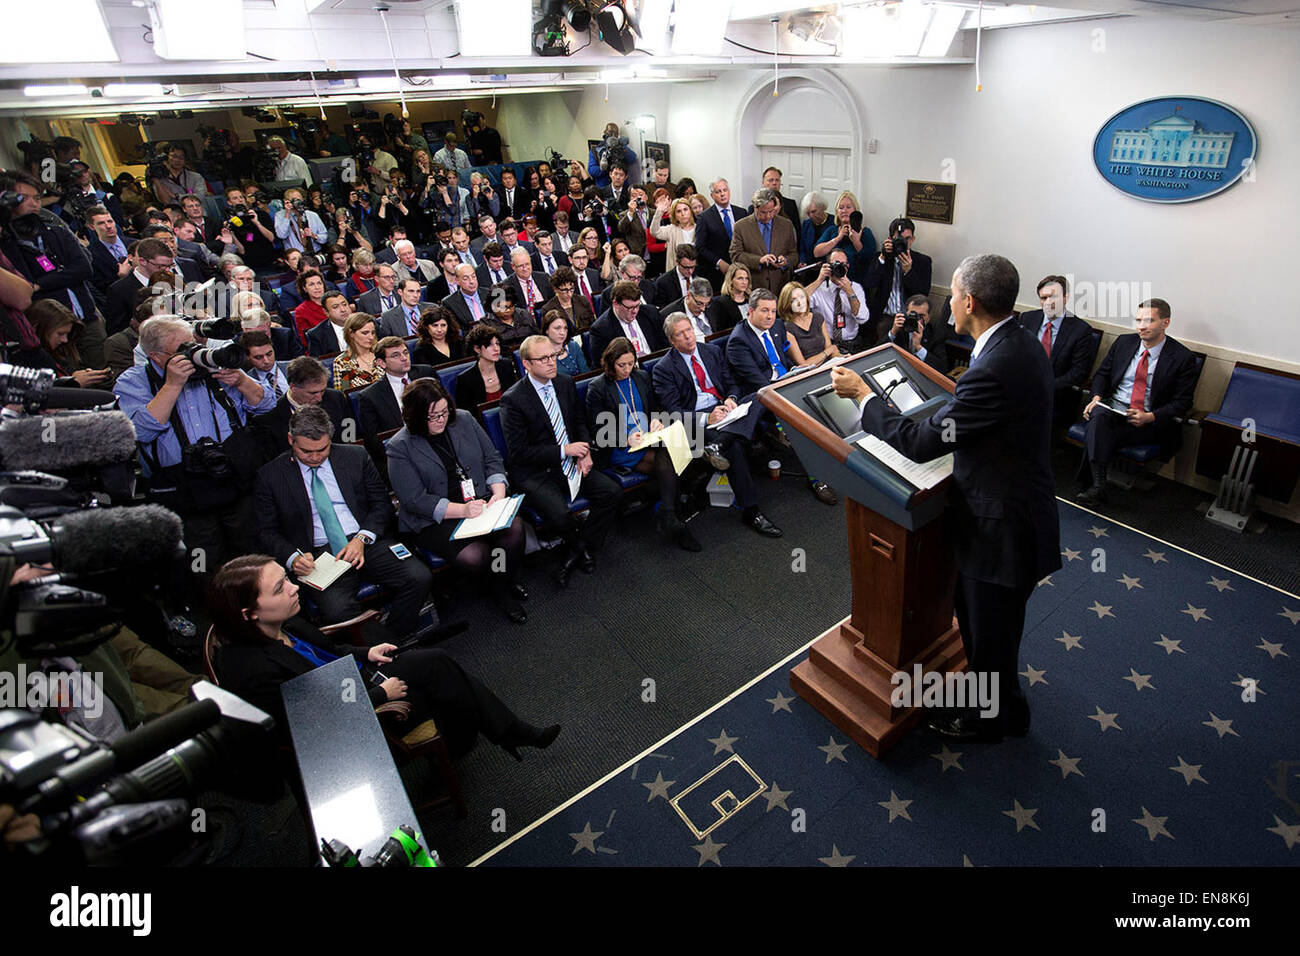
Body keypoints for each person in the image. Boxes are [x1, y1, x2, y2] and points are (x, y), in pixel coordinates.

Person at [830, 253, 1060, 742]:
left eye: (953, 294)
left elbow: (919, 443)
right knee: (987, 631)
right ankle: (1006, 708)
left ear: (970, 301)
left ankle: (989, 721)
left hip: (1003, 529)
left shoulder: (993, 368)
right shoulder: (1019, 342)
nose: (948, 302)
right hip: (1015, 508)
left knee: (991, 634)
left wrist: (863, 398)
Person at [209, 554, 559, 758]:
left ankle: (494, 734)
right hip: (347, 725)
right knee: (444, 677)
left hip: (353, 681)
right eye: (280, 588)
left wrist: (366, 651)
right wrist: (379, 695)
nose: (294, 587)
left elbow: (329, 651)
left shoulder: (285, 621)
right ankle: (492, 736)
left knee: (437, 663)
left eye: (287, 579)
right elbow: (309, 724)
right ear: (248, 613)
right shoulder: (250, 670)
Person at [114, 315, 274, 592]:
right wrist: (172, 384)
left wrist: (242, 381)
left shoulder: (213, 367)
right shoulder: (134, 381)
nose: (192, 353)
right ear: (155, 355)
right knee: (205, 569)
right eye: (181, 349)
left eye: (193, 344)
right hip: (184, 491)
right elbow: (140, 432)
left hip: (235, 482)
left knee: (251, 556)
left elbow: (266, 406)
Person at [253, 403, 433, 635]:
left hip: (365, 540)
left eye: (323, 449)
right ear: (291, 440)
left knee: (419, 577)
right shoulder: (271, 476)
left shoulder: (354, 456)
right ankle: (378, 650)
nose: (315, 457)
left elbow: (381, 503)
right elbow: (265, 532)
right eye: (307, 452)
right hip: (317, 557)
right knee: (337, 611)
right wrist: (292, 558)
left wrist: (362, 538)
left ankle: (393, 638)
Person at [387, 379, 530, 624]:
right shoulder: (399, 446)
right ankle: (497, 588)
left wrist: (498, 490)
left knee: (515, 530)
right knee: (474, 555)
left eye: (444, 412)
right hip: (436, 518)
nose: (441, 420)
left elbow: (491, 458)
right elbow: (414, 500)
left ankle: (501, 582)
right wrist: (462, 510)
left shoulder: (463, 419)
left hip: (481, 501)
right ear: (414, 416)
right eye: (432, 417)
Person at [501, 335, 622, 586]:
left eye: (553, 356)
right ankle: (580, 549)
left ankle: (578, 547)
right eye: (543, 359)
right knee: (559, 514)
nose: (551, 362)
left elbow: (579, 422)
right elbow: (519, 452)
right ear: (526, 364)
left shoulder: (565, 383)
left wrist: (585, 451)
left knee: (611, 492)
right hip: (536, 470)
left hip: (571, 459)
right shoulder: (513, 399)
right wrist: (565, 450)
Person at [652, 313, 783, 539]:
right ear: (672, 341)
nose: (688, 337)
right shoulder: (663, 369)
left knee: (760, 395)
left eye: (689, 330)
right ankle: (751, 511)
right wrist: (707, 418)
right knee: (734, 449)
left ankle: (720, 443)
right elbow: (673, 412)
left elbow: (731, 382)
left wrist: (731, 398)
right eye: (680, 335)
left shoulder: (711, 351)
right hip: (698, 420)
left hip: (725, 410)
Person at [1076, 298, 1199, 506]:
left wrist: (1150, 416)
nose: (1141, 326)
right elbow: (1101, 376)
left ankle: (1093, 485)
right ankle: (1098, 486)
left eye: (1149, 321)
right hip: (1114, 411)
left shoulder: (1182, 357)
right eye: (1138, 320)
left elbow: (1183, 402)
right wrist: (1096, 397)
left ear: (1165, 323)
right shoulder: (1124, 343)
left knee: (1097, 428)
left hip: (1149, 422)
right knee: (1099, 417)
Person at [586, 336, 697, 552]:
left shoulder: (641, 377)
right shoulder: (598, 388)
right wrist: (625, 438)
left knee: (676, 451)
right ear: (609, 362)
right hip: (622, 447)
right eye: (621, 365)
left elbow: (655, 407)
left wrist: (657, 419)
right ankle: (674, 518)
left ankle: (668, 513)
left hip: (649, 437)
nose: (627, 369)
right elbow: (598, 431)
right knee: (669, 460)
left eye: (630, 364)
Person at [0, 170, 109, 368]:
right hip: (48, 329)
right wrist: (60, 276)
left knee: (102, 372)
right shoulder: (7, 244)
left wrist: (40, 284)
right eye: (24, 198)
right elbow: (24, 285)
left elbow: (83, 268)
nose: (34, 204)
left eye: (37, 198)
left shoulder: (55, 230)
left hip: (87, 317)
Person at [1018, 275, 1097, 428]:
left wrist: (1045, 386)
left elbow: (1078, 372)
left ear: (1065, 298)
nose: (1048, 302)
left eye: (1053, 296)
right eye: (1043, 297)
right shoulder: (1027, 319)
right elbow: (1015, 355)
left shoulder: (1080, 330)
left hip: (1055, 393)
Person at [356, 335, 436, 476]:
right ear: (381, 363)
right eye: (396, 355)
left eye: (405, 352)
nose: (404, 358)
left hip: (436, 441)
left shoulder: (426, 374)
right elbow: (374, 443)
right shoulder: (370, 397)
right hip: (404, 454)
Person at [250, 356, 350, 463]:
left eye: (322, 391)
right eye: (313, 393)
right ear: (293, 387)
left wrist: (350, 449)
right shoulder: (269, 418)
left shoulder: (336, 398)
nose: (320, 397)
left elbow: (350, 428)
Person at [864, 217, 933, 337]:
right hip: (885, 317)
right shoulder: (881, 259)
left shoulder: (923, 261)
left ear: (913, 239)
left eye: (908, 239)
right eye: (899, 239)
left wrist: (908, 272)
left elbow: (923, 294)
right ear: (890, 239)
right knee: (883, 329)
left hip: (911, 318)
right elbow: (870, 284)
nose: (904, 243)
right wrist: (883, 257)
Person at [729, 187, 798, 297]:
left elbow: (794, 255)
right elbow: (735, 255)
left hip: (780, 288)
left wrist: (786, 261)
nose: (768, 216)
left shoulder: (786, 225)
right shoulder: (741, 227)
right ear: (755, 208)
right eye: (763, 212)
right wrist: (759, 260)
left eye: (771, 211)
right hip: (754, 287)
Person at [25, 299, 111, 386]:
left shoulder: (62, 352)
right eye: (60, 334)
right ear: (38, 328)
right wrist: (73, 383)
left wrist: (77, 376)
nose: (65, 340)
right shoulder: (26, 360)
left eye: (67, 334)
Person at [726, 288, 794, 395]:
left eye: (773, 311)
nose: (770, 317)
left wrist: (795, 371)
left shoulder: (777, 325)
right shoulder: (738, 341)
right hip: (765, 391)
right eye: (765, 310)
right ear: (751, 311)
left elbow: (784, 358)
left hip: (786, 381)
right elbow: (756, 380)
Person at [805, 249, 871, 354]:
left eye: (843, 264)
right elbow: (796, 303)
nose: (840, 268)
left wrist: (849, 291)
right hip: (826, 344)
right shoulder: (819, 289)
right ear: (828, 266)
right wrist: (819, 280)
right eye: (836, 264)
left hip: (851, 344)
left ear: (848, 266)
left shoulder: (855, 288)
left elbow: (863, 318)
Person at [590, 280, 668, 361]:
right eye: (630, 308)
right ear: (616, 304)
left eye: (637, 305)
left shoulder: (651, 313)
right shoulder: (601, 329)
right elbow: (603, 364)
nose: (635, 311)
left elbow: (665, 345)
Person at [878, 294, 951, 375]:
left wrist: (919, 348)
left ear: (929, 317)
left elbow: (942, 368)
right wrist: (892, 333)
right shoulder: (895, 326)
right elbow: (875, 355)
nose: (916, 319)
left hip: (921, 375)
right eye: (912, 315)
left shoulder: (936, 334)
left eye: (921, 316)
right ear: (905, 314)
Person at [456, 323, 518, 415]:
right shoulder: (466, 379)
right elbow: (468, 414)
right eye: (489, 345)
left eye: (497, 344)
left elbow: (516, 398)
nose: (496, 349)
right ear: (477, 349)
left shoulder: (506, 366)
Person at [812, 190, 874, 282]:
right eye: (841, 208)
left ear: (855, 210)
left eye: (848, 207)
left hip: (855, 282)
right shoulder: (831, 230)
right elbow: (817, 252)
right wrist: (837, 239)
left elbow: (868, 259)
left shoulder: (865, 232)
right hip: (831, 281)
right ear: (837, 211)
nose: (844, 211)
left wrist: (856, 241)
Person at [780, 282, 839, 368]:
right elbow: (804, 365)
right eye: (794, 300)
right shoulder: (787, 328)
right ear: (787, 304)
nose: (800, 302)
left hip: (829, 366)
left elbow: (832, 350)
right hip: (809, 375)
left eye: (802, 297)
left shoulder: (818, 317)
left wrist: (842, 358)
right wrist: (827, 352)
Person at [649, 197, 697, 281]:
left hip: (696, 273)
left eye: (685, 209)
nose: (683, 213)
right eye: (679, 211)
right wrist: (659, 212)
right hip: (676, 275)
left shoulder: (699, 228)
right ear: (675, 215)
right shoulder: (671, 229)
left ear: (690, 211)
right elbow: (654, 231)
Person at [331, 313, 381, 391]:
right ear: (351, 333)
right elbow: (345, 395)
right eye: (365, 333)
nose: (371, 337)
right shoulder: (342, 362)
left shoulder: (382, 353)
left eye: (373, 333)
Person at [539, 266, 595, 334]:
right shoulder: (548, 309)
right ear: (555, 289)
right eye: (565, 290)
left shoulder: (582, 300)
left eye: (571, 289)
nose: (569, 294)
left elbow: (593, 325)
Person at [274, 187, 327, 256]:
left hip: (315, 253)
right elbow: (281, 235)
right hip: (295, 257)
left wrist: (314, 235)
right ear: (286, 201)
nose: (298, 202)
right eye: (295, 200)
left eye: (300, 200)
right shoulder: (280, 215)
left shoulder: (312, 215)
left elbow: (325, 238)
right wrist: (287, 214)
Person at [486, 281, 538, 350]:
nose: (508, 310)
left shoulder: (524, 314)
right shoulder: (486, 324)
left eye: (511, 306)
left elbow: (537, 337)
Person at [242, 329, 290, 401]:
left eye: (269, 354)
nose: (266, 361)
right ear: (247, 357)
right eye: (258, 357)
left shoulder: (293, 368)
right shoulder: (247, 382)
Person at [505, 247, 552, 320]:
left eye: (527, 264)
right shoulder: (506, 286)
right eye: (520, 266)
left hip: (548, 320)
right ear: (513, 266)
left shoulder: (545, 278)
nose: (525, 268)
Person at [443, 263, 490, 332]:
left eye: (473, 276)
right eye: (466, 278)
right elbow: (455, 331)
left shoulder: (489, 294)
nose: (471, 281)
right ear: (457, 281)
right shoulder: (449, 303)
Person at [305, 290, 353, 357]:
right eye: (335, 307)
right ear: (326, 312)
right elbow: (316, 364)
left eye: (344, 304)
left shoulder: (364, 323)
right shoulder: (316, 335)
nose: (343, 309)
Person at [651, 243, 700, 309]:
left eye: (693, 267)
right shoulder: (664, 282)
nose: (690, 271)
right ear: (677, 262)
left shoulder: (700, 275)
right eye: (686, 267)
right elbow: (662, 310)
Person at [543, 309, 588, 376]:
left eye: (565, 328)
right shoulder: (541, 354)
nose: (562, 332)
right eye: (557, 328)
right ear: (547, 330)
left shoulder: (574, 346)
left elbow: (586, 374)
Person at [292, 269, 330, 346]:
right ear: (305, 288)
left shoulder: (334, 301)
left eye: (319, 283)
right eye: (311, 284)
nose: (317, 287)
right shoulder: (301, 311)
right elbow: (306, 341)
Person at [712, 263, 752, 333]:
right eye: (740, 278)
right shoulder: (722, 303)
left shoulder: (752, 299)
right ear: (731, 280)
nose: (744, 282)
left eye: (746, 278)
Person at [799, 191, 831, 267]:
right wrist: (802, 261)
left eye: (814, 211)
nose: (811, 216)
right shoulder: (806, 224)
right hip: (808, 269)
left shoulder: (833, 223)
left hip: (827, 267)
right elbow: (802, 249)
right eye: (808, 213)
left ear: (822, 207)